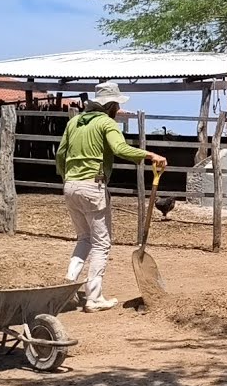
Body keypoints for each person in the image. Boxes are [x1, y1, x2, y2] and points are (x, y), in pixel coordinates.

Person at [55, 82, 167, 312]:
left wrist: (67, 178)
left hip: (70, 185)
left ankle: (67, 284)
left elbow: (61, 154)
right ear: (112, 105)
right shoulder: (107, 123)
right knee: (101, 243)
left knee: (84, 238)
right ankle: (93, 297)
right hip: (92, 187)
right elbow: (120, 149)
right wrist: (150, 155)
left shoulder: (74, 122)